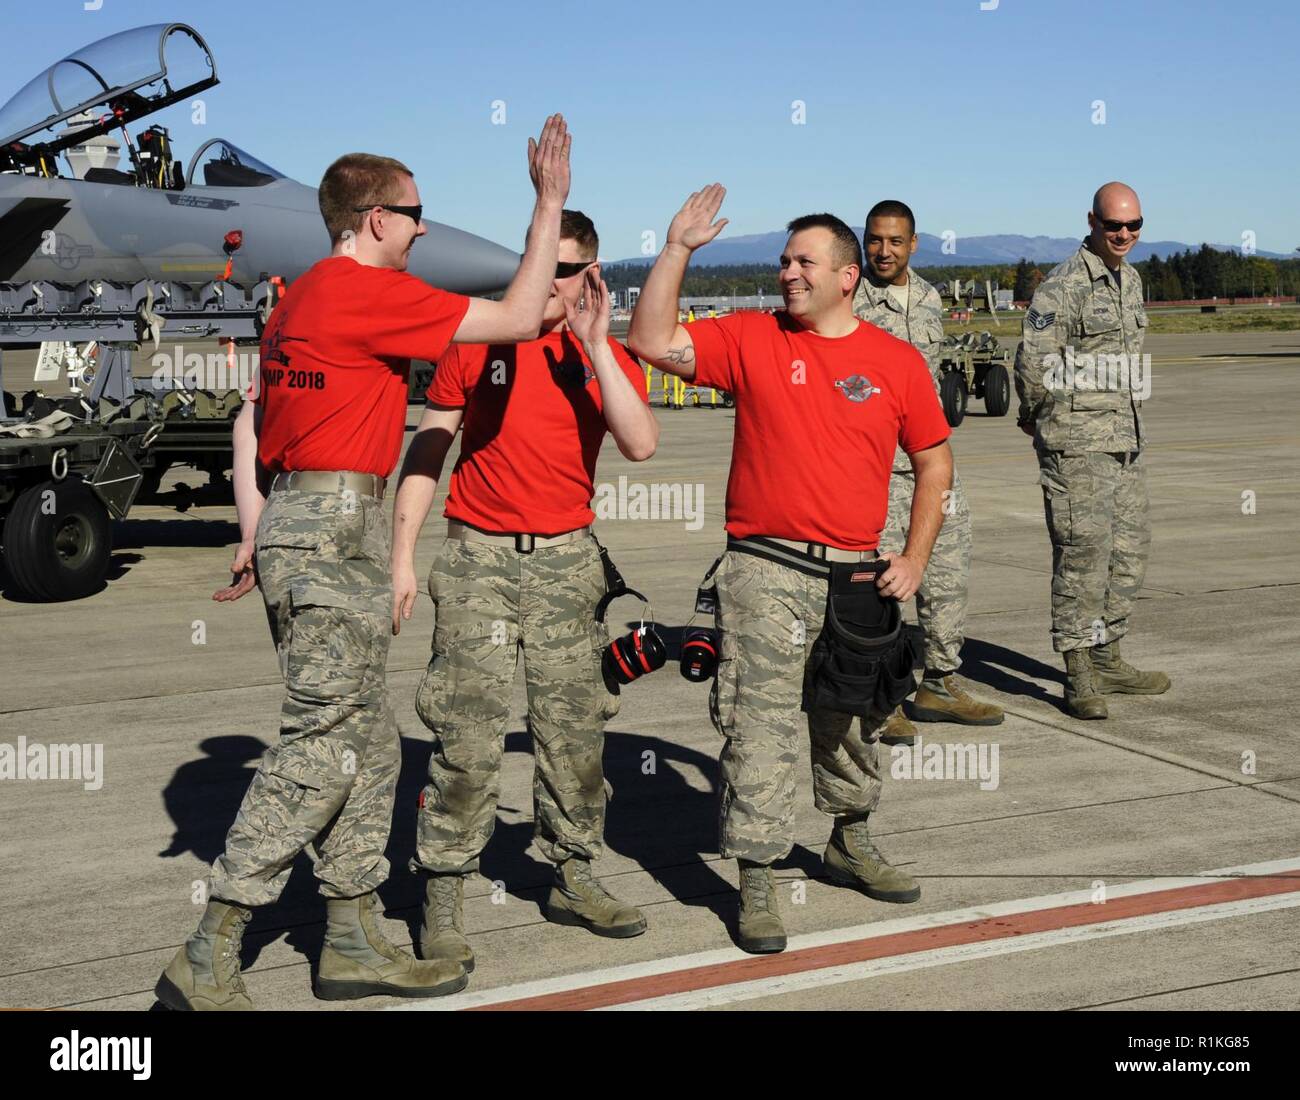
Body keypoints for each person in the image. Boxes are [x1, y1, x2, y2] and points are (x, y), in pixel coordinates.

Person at [155, 115, 574, 1011]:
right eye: (415, 212)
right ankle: (210, 946)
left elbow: (254, 420)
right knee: (321, 746)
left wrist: (257, 526)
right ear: (375, 218)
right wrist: (548, 207)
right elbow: (523, 313)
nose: (424, 227)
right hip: (332, 526)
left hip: (314, 519)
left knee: (371, 746)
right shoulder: (358, 289)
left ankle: (349, 938)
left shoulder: (301, 298)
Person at [628, 188, 953, 954]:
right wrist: (677, 248)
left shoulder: (897, 362)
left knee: (849, 724)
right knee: (760, 731)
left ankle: (849, 840)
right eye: (782, 261)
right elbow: (650, 340)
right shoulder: (751, 338)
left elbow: (935, 466)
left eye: (804, 261)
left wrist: (913, 559)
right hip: (764, 569)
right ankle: (761, 880)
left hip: (858, 577)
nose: (787, 273)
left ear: (848, 277)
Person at [390, 210, 658, 981]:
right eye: (545, 264)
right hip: (478, 557)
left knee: (574, 737)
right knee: (465, 740)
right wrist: (403, 556)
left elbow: (640, 442)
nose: (553, 281)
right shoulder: (482, 337)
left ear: (595, 276)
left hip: (567, 565)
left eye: (570, 269)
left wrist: (598, 345)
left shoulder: (597, 352)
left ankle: (572, 871)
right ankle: (441, 892)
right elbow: (431, 443)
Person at [1013, 181, 1170, 719]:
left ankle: (1108, 654)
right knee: (1082, 556)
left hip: (1124, 441)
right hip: (1077, 446)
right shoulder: (1064, 285)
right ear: (1092, 222)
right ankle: (1077, 669)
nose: (1124, 234)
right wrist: (1044, 422)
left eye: (1134, 226)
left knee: (1127, 553)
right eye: (1113, 226)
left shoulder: (1130, 281)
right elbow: (1033, 362)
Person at [853, 200, 1004, 743]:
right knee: (882, 585)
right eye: (875, 240)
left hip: (932, 464)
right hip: (874, 469)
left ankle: (940, 680)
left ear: (914, 243)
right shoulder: (847, 299)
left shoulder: (929, 298)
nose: (884, 251)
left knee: (946, 574)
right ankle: (881, 697)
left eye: (895, 241)